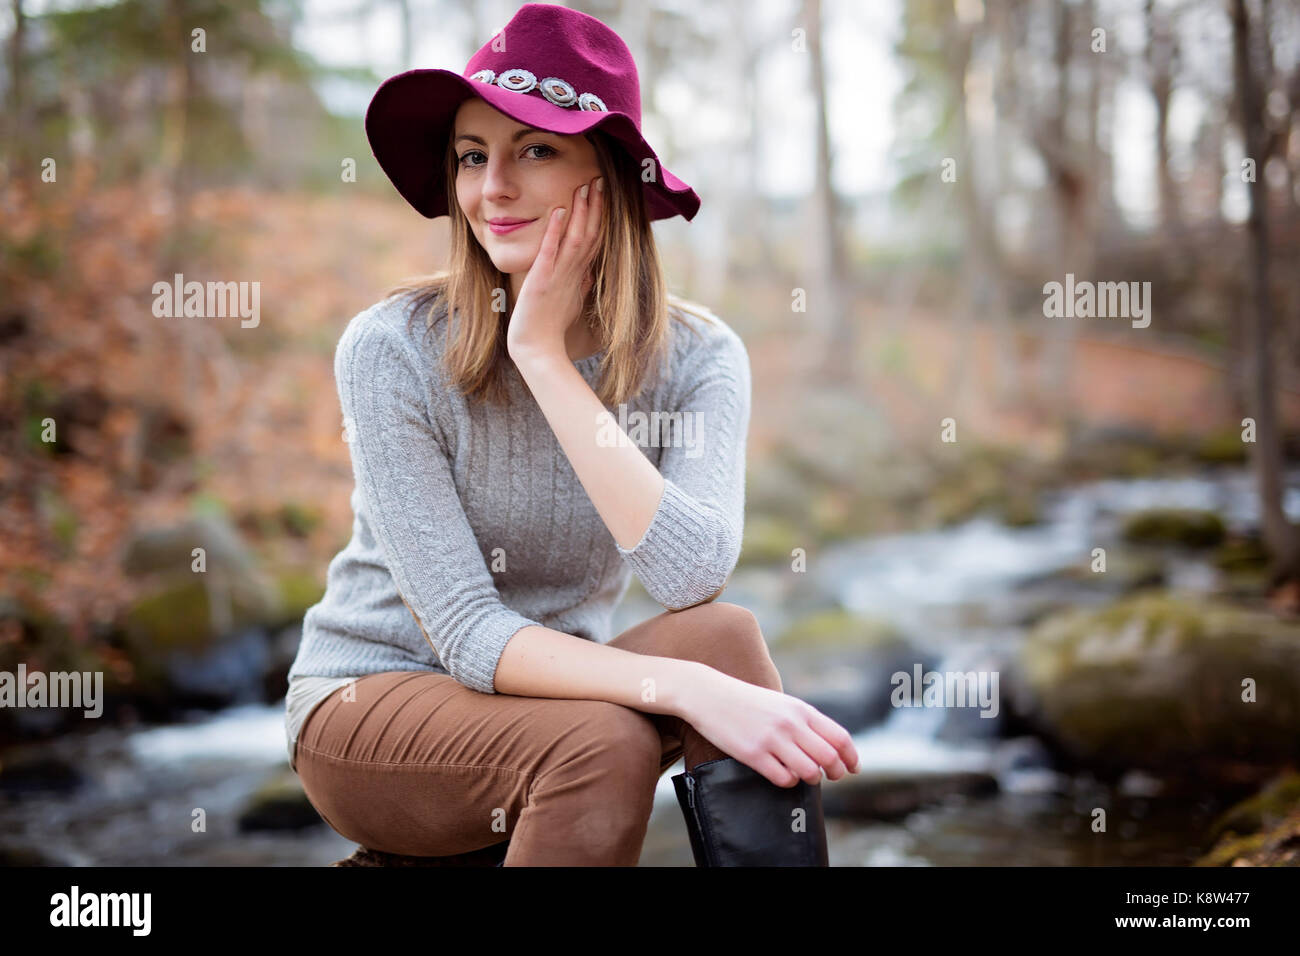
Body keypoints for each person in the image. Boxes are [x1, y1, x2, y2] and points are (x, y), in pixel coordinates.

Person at [285, 2, 859, 867]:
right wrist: (688, 692)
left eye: (536, 150)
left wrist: (549, 367)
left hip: (557, 697)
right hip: (372, 703)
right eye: (473, 156)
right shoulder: (392, 347)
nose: (492, 189)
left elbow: (690, 574)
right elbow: (469, 634)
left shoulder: (699, 356)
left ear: (613, 178)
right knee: (605, 744)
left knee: (725, 638)